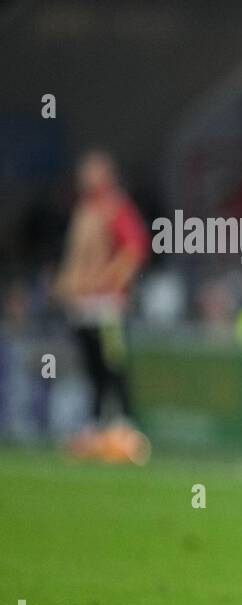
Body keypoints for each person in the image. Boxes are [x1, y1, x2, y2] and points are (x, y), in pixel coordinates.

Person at [53, 151, 151, 464]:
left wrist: (108, 282)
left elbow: (134, 249)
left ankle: (125, 427)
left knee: (113, 364)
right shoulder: (85, 209)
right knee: (92, 367)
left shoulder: (114, 207)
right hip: (82, 304)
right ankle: (96, 426)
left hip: (107, 304)